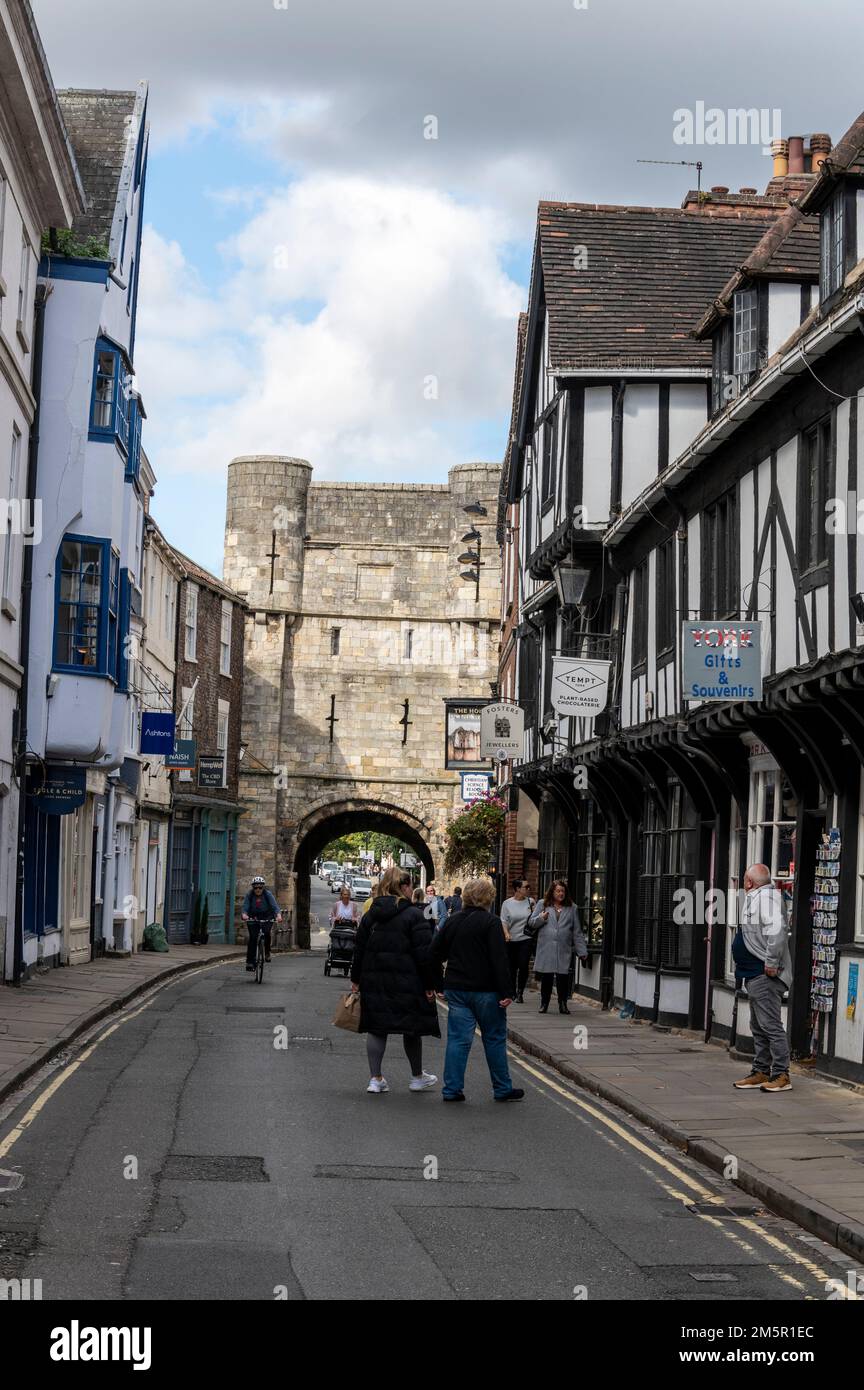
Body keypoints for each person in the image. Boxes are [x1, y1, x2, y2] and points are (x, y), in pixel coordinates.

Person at [429, 876, 523, 1103]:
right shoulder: (491, 923)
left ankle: (451, 1090)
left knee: (458, 1041)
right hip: (487, 991)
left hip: (457, 990)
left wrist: (437, 984)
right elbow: (499, 960)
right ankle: (502, 1089)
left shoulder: (452, 921)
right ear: (487, 898)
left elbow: (433, 953)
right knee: (494, 1039)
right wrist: (507, 992)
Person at [350, 866, 440, 1093]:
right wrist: (431, 984)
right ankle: (417, 1077)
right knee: (412, 1029)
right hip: (408, 983)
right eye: (409, 885)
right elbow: (424, 954)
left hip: (375, 981)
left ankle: (375, 1078)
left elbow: (359, 949)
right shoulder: (414, 915)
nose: (411, 890)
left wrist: (356, 979)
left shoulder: (372, 915)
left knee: (377, 1028)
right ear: (403, 887)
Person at [732, 863, 794, 1093]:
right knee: (758, 1026)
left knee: (770, 1026)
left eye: (745, 879)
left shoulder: (767, 899)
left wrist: (771, 963)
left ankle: (781, 1075)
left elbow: (777, 932)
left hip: (764, 974)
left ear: (749, 882)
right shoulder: (758, 897)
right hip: (753, 973)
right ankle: (761, 1071)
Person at [528, 881, 588, 1014]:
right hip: (546, 947)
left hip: (563, 948)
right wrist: (541, 918)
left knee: (563, 979)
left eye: (563, 891)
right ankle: (544, 1004)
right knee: (547, 978)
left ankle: (563, 1004)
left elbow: (577, 932)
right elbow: (531, 923)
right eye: (558, 891)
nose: (561, 893)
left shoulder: (572, 908)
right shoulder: (543, 904)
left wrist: (582, 951)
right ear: (552, 892)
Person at [501, 879, 535, 1002]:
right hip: (511, 939)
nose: (528, 889)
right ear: (517, 889)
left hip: (526, 938)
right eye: (526, 887)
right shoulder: (507, 903)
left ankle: (520, 992)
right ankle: (512, 992)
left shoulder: (530, 902)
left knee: (523, 965)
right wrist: (506, 933)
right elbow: (503, 921)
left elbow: (534, 920)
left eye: (528, 887)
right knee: (512, 967)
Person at [241, 875, 282, 972]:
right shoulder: (249, 895)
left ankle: (267, 952)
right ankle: (250, 962)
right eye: (255, 887)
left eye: (260, 887)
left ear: (263, 887)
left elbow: (274, 906)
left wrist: (278, 915)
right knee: (253, 938)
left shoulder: (267, 894)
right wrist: (244, 914)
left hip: (267, 917)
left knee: (267, 933)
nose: (258, 889)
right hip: (253, 918)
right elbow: (245, 906)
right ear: (253, 887)